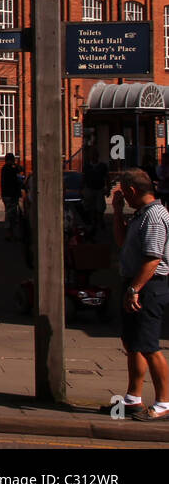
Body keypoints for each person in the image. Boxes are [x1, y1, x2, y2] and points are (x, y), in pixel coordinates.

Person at [111, 170, 169, 420]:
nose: (123, 197)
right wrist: (116, 212)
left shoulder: (155, 216)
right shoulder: (141, 215)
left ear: (132, 191)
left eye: (124, 193)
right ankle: (133, 399)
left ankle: (164, 403)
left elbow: (153, 258)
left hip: (149, 287)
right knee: (132, 342)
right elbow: (123, 242)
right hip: (136, 285)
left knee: (149, 346)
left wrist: (135, 289)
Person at [82, 157, 109, 232]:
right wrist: (81, 188)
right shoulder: (87, 166)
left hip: (99, 189)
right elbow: (83, 177)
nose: (94, 156)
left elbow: (107, 177)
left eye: (95, 154)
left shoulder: (102, 166)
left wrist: (108, 189)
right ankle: (93, 222)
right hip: (89, 188)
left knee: (100, 207)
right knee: (90, 207)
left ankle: (100, 220)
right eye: (93, 154)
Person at [0, 153, 23, 240]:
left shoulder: (4, 168)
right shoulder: (10, 169)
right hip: (11, 195)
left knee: (9, 213)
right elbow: (20, 169)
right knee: (11, 214)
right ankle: (10, 234)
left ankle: (10, 233)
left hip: (6, 194)